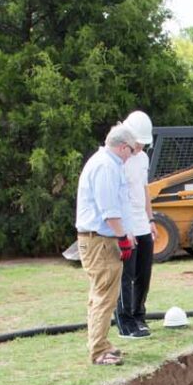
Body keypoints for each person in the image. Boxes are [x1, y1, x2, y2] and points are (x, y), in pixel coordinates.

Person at [74, 124, 138, 366]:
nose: (131, 155)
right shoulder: (106, 166)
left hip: (99, 239)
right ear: (122, 147)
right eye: (131, 150)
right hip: (100, 241)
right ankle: (99, 351)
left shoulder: (107, 164)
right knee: (104, 296)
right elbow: (109, 209)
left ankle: (99, 343)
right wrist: (122, 237)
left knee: (101, 294)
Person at [117, 110, 155, 338]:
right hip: (126, 226)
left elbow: (144, 190)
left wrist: (150, 219)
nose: (139, 149)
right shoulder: (118, 159)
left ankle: (139, 316)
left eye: (143, 145)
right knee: (126, 275)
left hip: (142, 224)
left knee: (143, 274)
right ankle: (125, 320)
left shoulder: (142, 158)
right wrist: (123, 230)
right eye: (137, 144)